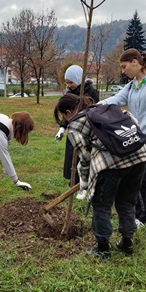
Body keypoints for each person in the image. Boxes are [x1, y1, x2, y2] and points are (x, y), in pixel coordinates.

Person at [54, 93, 146, 258]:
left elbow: (85, 159)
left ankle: (103, 249)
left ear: (68, 112)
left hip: (110, 166)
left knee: (101, 205)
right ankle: (127, 243)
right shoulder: (104, 108)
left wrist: (84, 182)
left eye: (63, 116)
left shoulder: (75, 125)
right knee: (127, 202)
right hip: (139, 156)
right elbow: (133, 121)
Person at [98, 49, 146, 227]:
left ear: (134, 62)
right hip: (138, 137)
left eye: (124, 67)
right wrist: (97, 106)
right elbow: (118, 99)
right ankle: (137, 215)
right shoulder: (133, 84)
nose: (123, 71)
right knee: (137, 179)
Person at [55, 65, 99, 196]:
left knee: (85, 158)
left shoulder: (91, 93)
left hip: (87, 132)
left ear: (79, 79)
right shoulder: (69, 93)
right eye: (67, 82)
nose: (69, 85)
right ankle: (74, 185)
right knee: (72, 159)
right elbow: (66, 113)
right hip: (73, 132)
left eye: (71, 82)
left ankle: (85, 186)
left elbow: (95, 111)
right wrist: (62, 128)